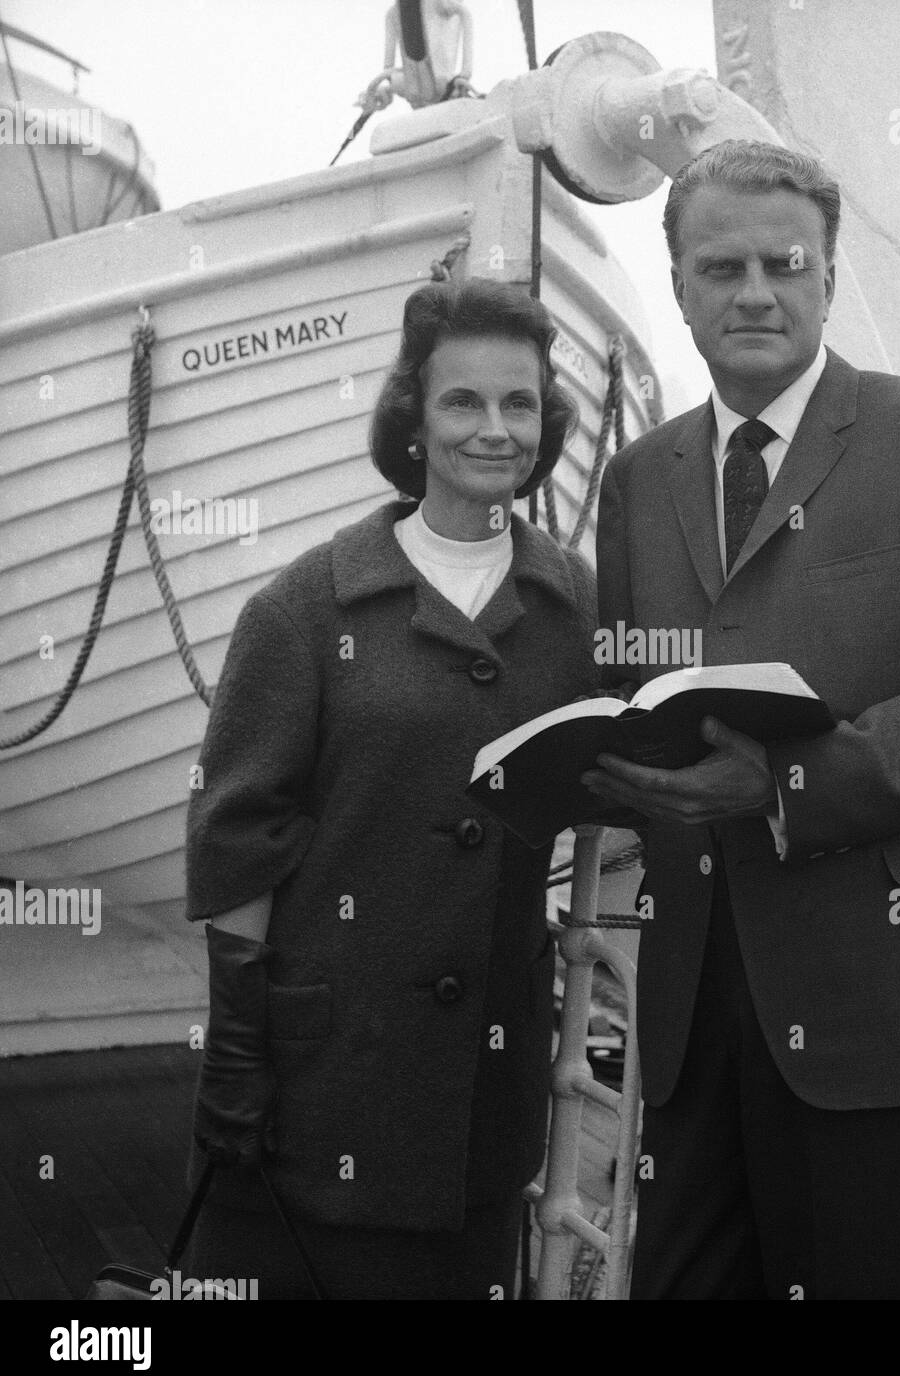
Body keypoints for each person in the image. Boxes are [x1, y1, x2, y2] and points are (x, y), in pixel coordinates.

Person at [585, 140, 900, 1300]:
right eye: (722, 266)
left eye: (786, 263)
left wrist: (789, 787)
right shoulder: (639, 479)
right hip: (698, 1026)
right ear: (681, 290)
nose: (756, 291)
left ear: (829, 277)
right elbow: (629, 689)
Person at [184, 276, 594, 1299]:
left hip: (482, 1091)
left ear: (548, 424)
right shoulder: (305, 608)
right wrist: (236, 1054)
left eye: (520, 404)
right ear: (414, 418)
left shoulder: (578, 606)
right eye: (463, 402)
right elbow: (240, 839)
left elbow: (620, 764)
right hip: (328, 1080)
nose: (493, 429)